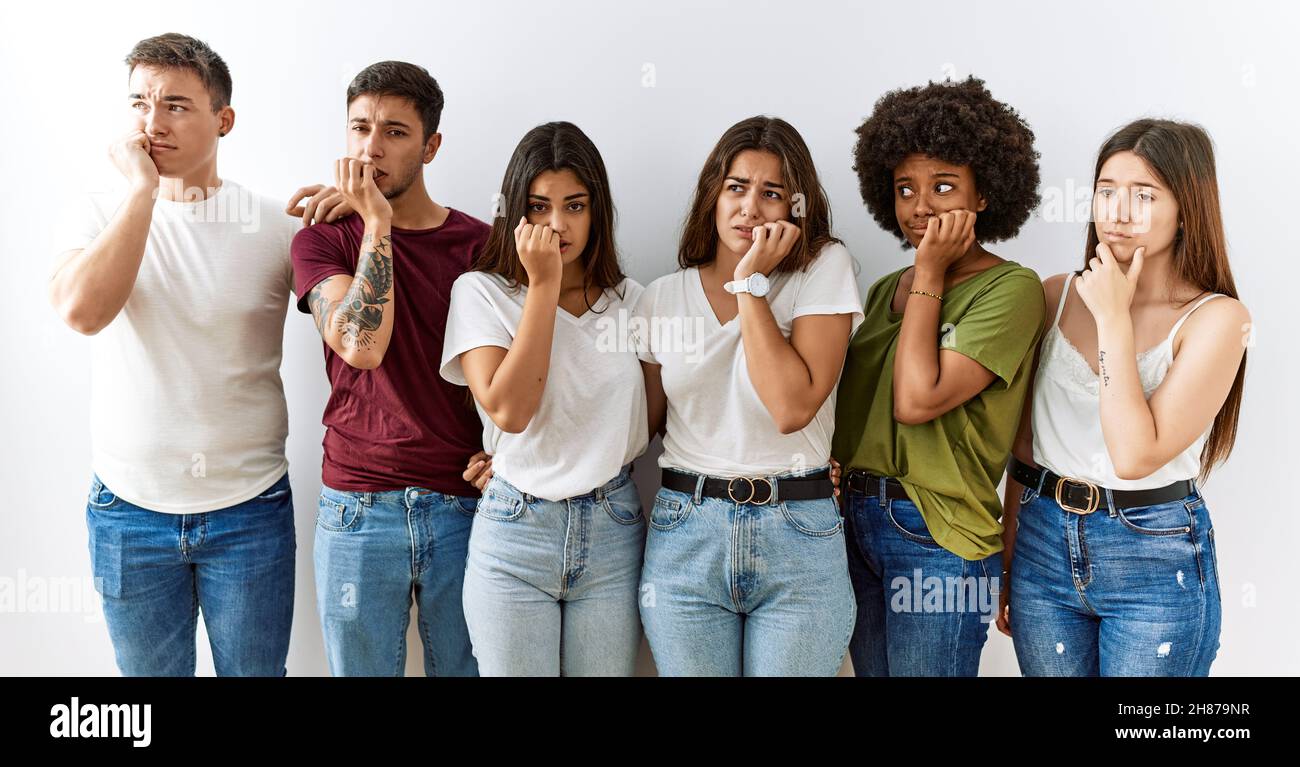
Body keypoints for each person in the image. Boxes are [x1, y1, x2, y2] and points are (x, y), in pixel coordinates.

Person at [50, 33, 299, 676]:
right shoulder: (101, 211)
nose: (152, 123)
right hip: (128, 514)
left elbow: (359, 339)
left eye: (177, 106)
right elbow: (82, 313)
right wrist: (141, 195)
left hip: (249, 512)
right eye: (140, 103)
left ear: (225, 119)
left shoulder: (275, 226)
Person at [1000, 118, 1249, 676]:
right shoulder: (1055, 295)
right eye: (1107, 191)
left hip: (1153, 558)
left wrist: (1114, 317)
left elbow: (1135, 455)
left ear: (1187, 206)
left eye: (1144, 195)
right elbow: (1025, 445)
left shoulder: (1218, 320)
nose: (1117, 212)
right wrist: (1010, 546)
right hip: (1043, 543)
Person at [289, 61, 487, 676]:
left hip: (466, 505)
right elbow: (360, 344)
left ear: (431, 145)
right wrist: (376, 222)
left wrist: (514, 450)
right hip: (356, 507)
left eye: (395, 132)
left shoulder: (483, 247)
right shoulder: (321, 239)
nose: (371, 147)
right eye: (359, 127)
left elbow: (540, 366)